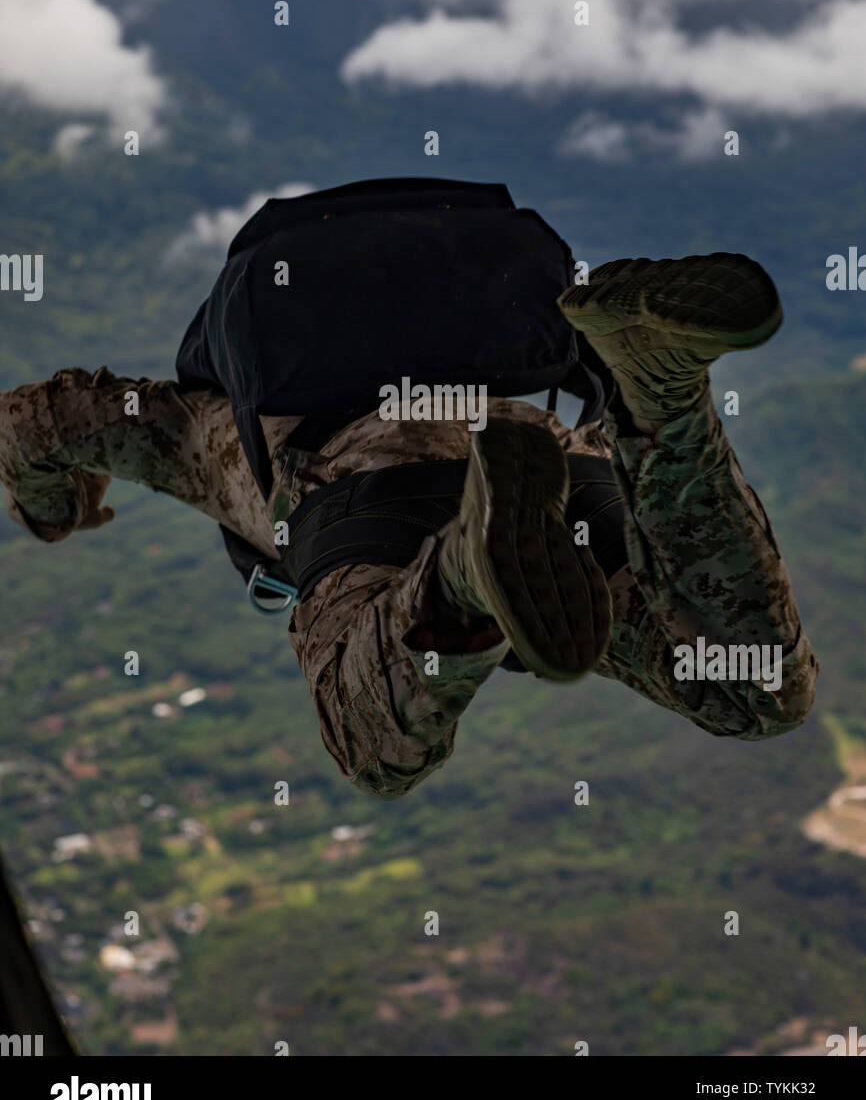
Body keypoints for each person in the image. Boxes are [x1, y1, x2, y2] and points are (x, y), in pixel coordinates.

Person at [0, 252, 818, 801]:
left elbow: (28, 423)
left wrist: (53, 510)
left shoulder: (196, 429)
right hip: (557, 447)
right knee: (755, 688)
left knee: (378, 752)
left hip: (369, 494)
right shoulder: (491, 370)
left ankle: (462, 578)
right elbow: (32, 423)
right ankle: (664, 400)